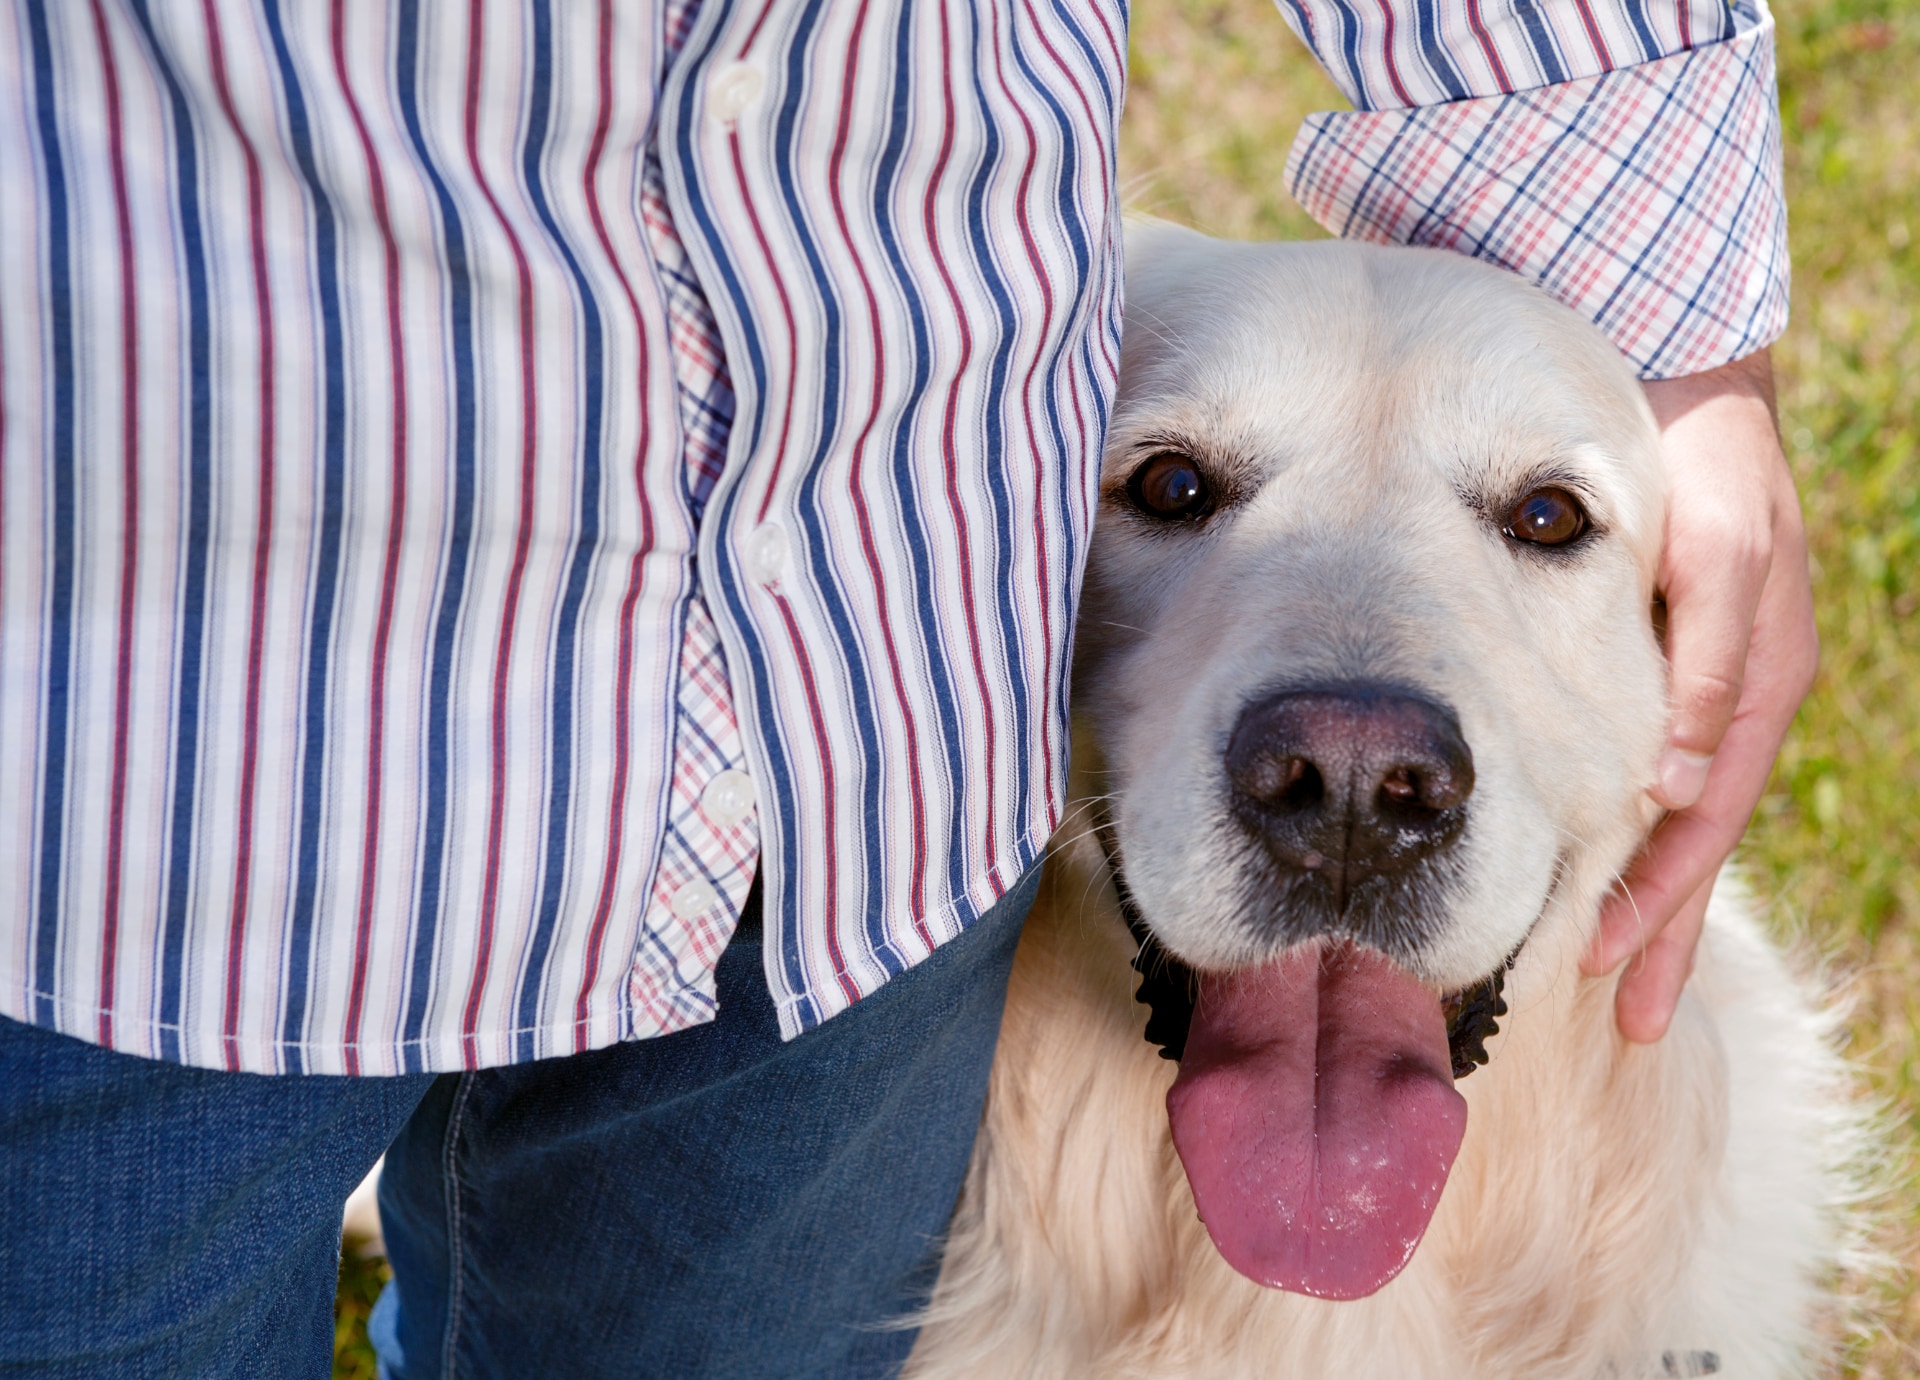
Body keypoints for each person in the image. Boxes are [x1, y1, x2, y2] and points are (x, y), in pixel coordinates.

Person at [0, 0, 1813, 1376]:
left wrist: (1683, 326)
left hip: (848, 767)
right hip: (137, 683)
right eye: (1174, 490)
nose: (1353, 746)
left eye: (1547, 517)